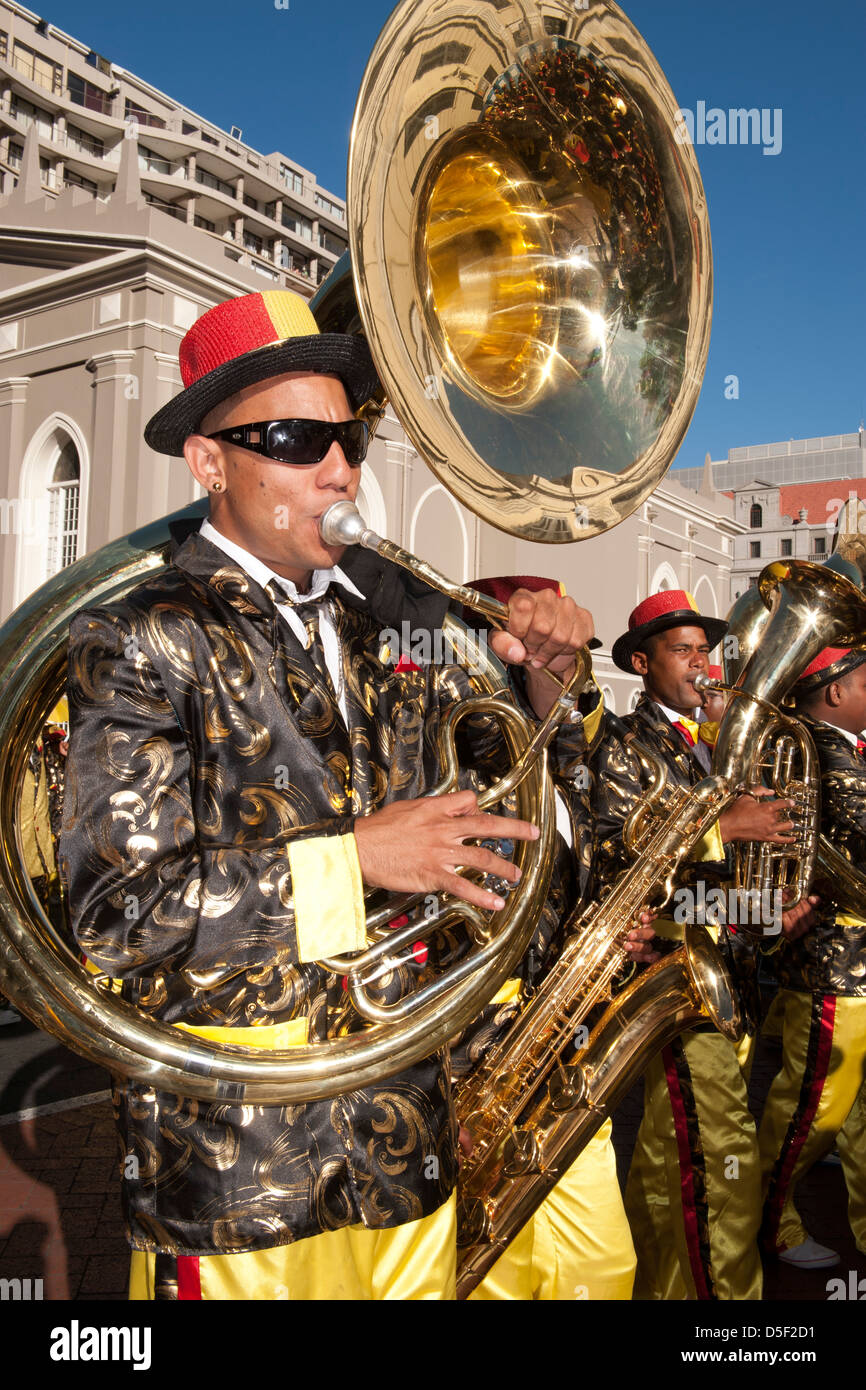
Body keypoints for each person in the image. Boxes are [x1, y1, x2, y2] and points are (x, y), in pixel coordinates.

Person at [59, 289, 595, 1302]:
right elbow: (115, 917)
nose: (341, 468)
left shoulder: (385, 620)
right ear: (209, 463)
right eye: (297, 438)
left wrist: (542, 682)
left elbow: (515, 787)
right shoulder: (142, 632)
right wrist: (351, 861)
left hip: (401, 1121)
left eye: (344, 436)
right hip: (235, 1152)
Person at [590, 589, 808, 1301]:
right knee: (721, 1164)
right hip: (676, 969)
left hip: (727, 970)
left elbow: (719, 879)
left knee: (667, 1160)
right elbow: (620, 852)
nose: (700, 664)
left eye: (704, 650)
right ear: (642, 663)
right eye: (682, 651)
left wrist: (769, 907)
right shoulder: (623, 741)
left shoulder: (716, 745)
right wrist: (727, 829)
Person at [758, 646, 866, 1268]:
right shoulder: (823, 749)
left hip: (850, 960)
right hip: (834, 964)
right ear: (832, 693)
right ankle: (773, 1225)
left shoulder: (838, 747)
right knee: (812, 1111)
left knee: (850, 1112)